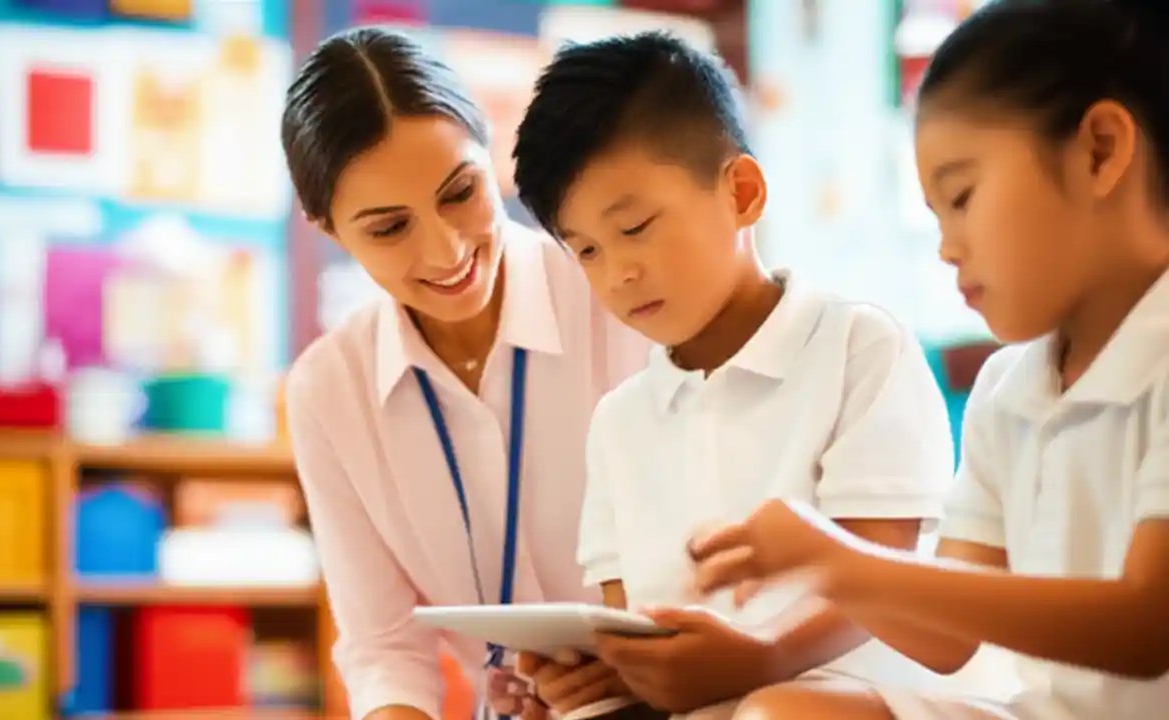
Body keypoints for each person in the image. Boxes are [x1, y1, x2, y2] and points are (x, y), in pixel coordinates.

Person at [689, 1, 1169, 718]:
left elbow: (1145, 625)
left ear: (1099, 149)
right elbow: (944, 641)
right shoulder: (1012, 387)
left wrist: (841, 561)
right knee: (782, 714)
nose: (947, 246)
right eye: (935, 215)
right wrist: (814, 567)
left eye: (963, 197)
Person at [508, 31, 955, 720]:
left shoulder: (859, 350)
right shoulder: (620, 421)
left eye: (636, 227)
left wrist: (757, 659)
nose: (618, 273)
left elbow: (877, 582)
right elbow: (631, 626)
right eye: (587, 251)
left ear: (741, 192)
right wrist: (598, 679)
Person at [280, 27, 648, 720]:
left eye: (460, 192)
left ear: (491, 152)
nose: (446, 249)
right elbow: (383, 647)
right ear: (327, 228)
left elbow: (717, 541)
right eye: (389, 228)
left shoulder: (618, 296)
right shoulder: (330, 390)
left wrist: (638, 667)